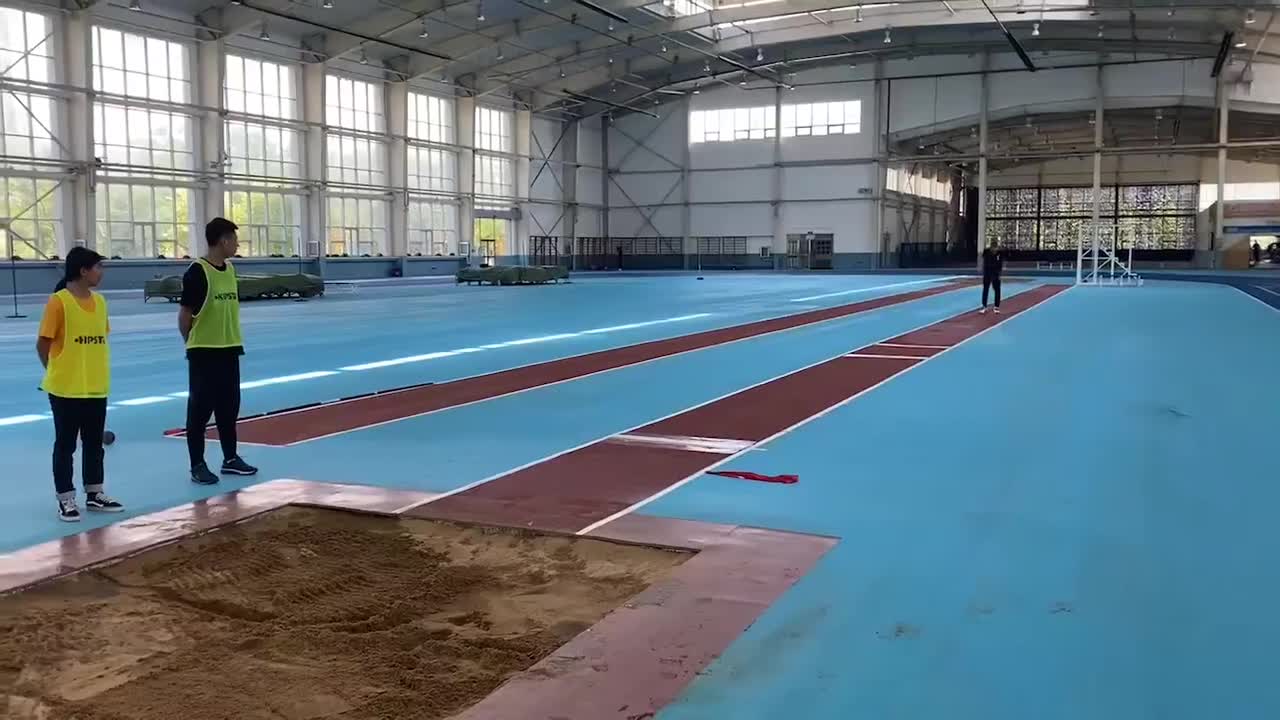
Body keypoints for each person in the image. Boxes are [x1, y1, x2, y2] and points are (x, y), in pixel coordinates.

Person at [37, 247, 124, 521]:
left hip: (95, 387)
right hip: (65, 389)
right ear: (83, 271)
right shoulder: (58, 302)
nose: (102, 272)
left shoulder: (100, 303)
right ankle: (65, 499)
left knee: (93, 444)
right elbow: (43, 344)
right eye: (98, 267)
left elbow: (99, 339)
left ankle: (95, 494)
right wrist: (58, 371)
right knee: (65, 445)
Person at [179, 217, 257, 485]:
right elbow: (185, 315)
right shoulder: (197, 272)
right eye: (234, 239)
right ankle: (197, 465)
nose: (237, 244)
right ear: (223, 241)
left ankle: (230, 459)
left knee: (228, 408)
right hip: (204, 352)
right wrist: (193, 342)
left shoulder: (230, 269)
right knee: (199, 412)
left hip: (230, 350)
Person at [980, 239, 1003, 314]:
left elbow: (1000, 263)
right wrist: (982, 269)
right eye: (993, 247)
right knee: (985, 289)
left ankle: (996, 307)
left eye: (996, 247)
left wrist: (999, 272)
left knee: (997, 290)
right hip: (987, 272)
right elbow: (983, 261)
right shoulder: (986, 252)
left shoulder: (999, 253)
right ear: (991, 247)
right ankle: (984, 306)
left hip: (995, 273)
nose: (995, 249)